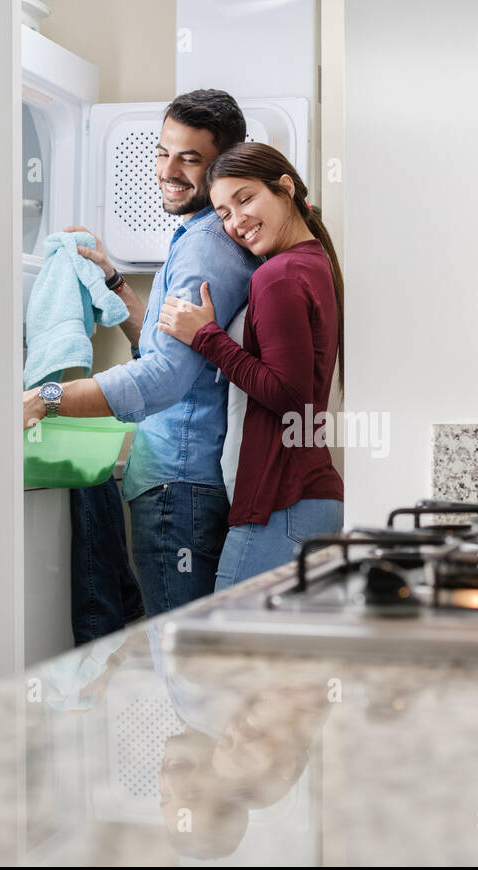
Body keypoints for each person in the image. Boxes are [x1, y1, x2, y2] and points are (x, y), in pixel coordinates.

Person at [23, 90, 259, 616]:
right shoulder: (204, 237)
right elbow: (172, 350)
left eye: (189, 159)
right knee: (183, 660)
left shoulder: (204, 248)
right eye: (162, 151)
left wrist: (47, 398)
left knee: (177, 661)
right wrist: (111, 280)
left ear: (223, 164)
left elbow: (164, 378)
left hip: (180, 486)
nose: (168, 170)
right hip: (184, 484)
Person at [156, 143, 344, 588]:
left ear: (285, 189)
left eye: (245, 199)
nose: (236, 222)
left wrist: (207, 338)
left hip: (282, 502)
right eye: (223, 213)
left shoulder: (276, 276)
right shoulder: (313, 263)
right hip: (306, 499)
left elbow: (290, 397)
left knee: (224, 649)